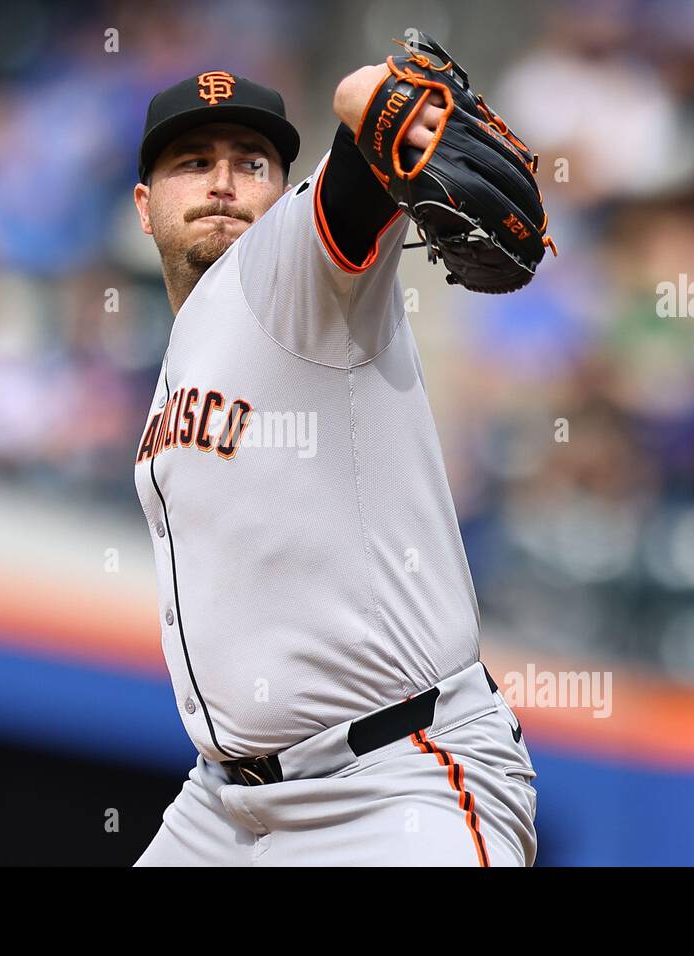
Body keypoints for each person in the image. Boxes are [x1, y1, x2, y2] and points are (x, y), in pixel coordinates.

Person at [129, 63, 538, 866]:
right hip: (226, 803)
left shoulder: (287, 270)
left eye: (251, 162)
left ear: (285, 190)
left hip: (393, 784)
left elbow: (362, 108)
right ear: (145, 208)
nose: (223, 183)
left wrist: (388, 107)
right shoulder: (184, 349)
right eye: (192, 162)